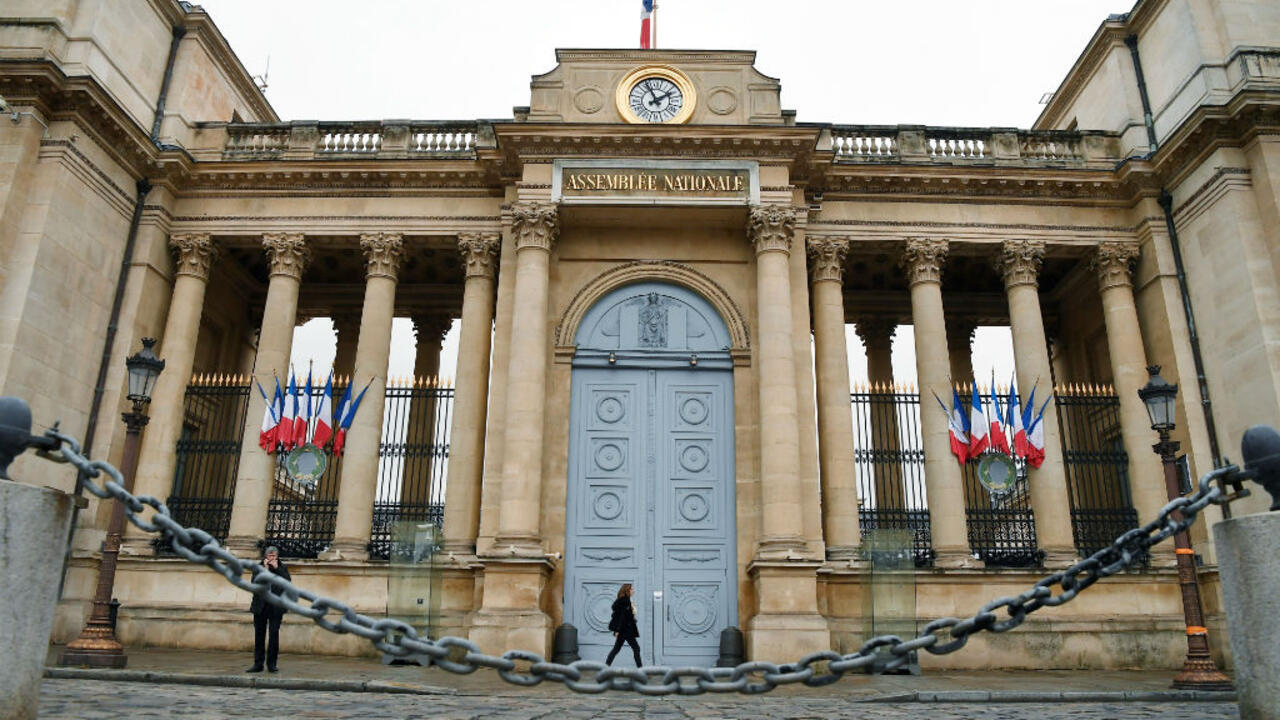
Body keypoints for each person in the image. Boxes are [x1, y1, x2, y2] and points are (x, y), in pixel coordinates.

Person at [246, 546, 290, 673]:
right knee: (259, 636)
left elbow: (287, 582)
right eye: (270, 556)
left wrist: (276, 569)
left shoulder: (282, 568)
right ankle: (258, 664)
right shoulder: (258, 568)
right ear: (265, 556)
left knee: (273, 635)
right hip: (261, 606)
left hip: (276, 607)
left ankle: (272, 664)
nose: (272, 558)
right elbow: (255, 583)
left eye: (274, 556)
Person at [605, 582, 643, 667]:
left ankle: (606, 666)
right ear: (627, 590)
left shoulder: (626, 600)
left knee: (616, 649)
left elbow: (624, 615)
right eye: (632, 589)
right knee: (636, 648)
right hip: (626, 629)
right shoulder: (625, 601)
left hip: (624, 629)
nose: (633, 590)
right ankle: (641, 669)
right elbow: (622, 617)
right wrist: (617, 630)